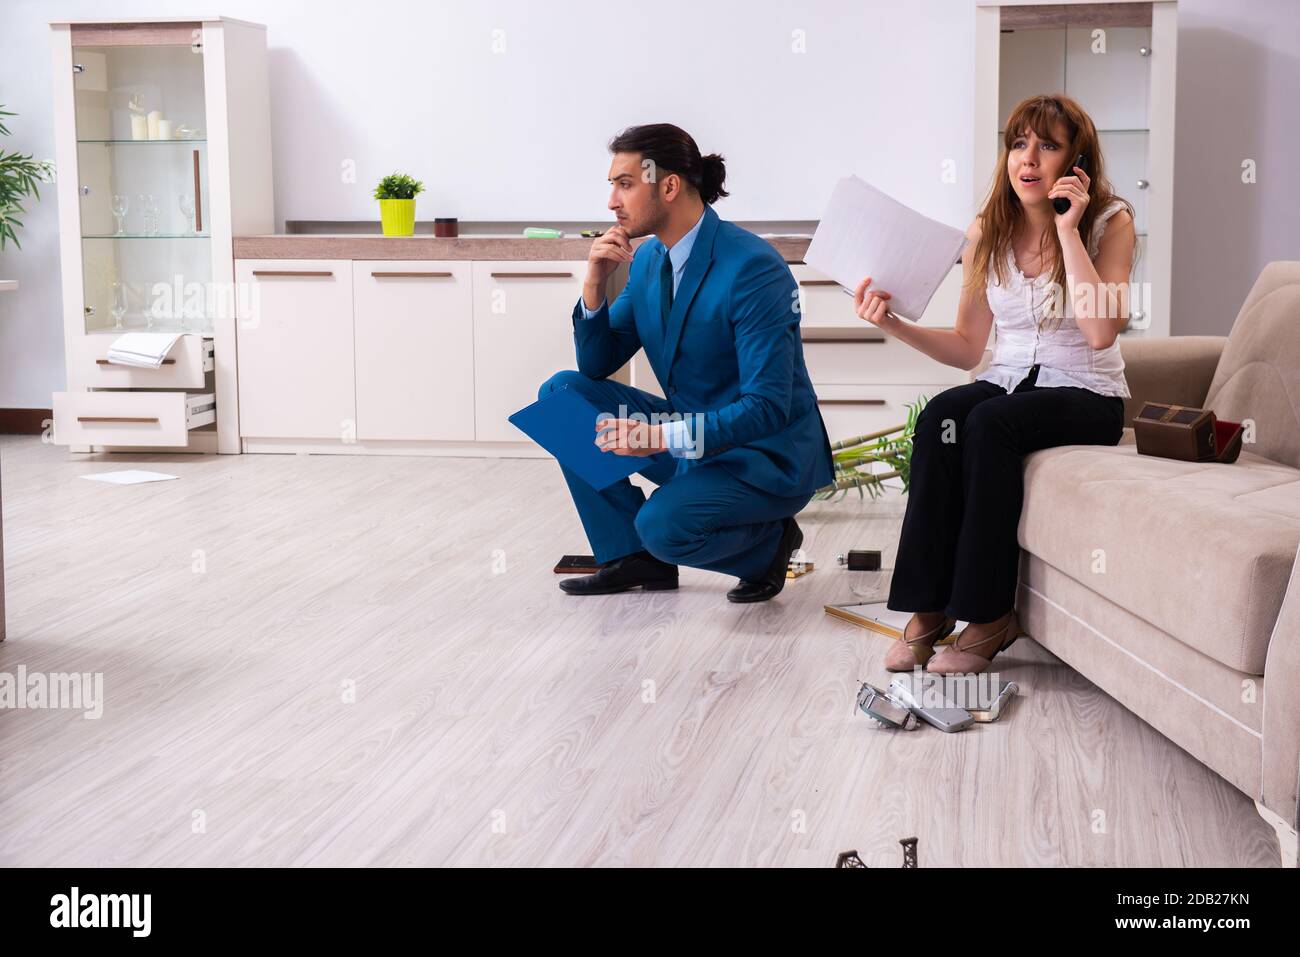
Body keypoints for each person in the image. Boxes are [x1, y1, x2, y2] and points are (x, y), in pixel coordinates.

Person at [855, 93, 1135, 673]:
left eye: (1047, 146)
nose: (1027, 159)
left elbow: (1101, 330)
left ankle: (989, 616)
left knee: (988, 423)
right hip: (1009, 381)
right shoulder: (987, 229)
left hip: (1086, 395)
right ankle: (929, 611)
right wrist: (894, 323)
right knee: (943, 417)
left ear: (1076, 164)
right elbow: (967, 349)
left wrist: (1069, 230)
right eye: (1018, 144)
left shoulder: (1112, 222)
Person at [538, 123, 834, 603]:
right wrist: (594, 286)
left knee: (663, 525)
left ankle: (769, 546)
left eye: (625, 184)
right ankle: (629, 555)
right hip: (689, 437)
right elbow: (596, 365)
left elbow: (767, 407)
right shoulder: (652, 258)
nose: (613, 200)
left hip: (761, 455)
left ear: (669, 185)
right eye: (612, 185)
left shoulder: (753, 268)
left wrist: (659, 437)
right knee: (561, 396)